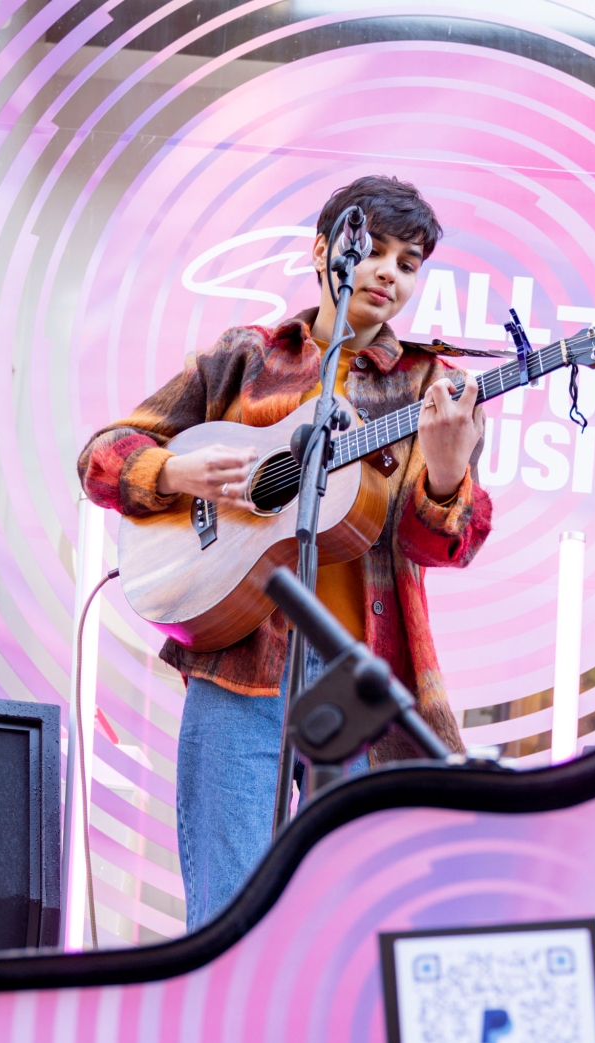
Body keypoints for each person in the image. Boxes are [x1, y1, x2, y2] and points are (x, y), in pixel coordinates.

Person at [78, 176, 491, 927]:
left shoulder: (436, 387)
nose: (388, 273)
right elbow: (105, 455)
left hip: (362, 678)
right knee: (226, 914)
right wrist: (173, 471)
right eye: (372, 251)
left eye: (407, 263)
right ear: (322, 251)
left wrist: (446, 472)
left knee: (352, 923)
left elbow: (442, 544)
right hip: (241, 666)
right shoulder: (245, 357)